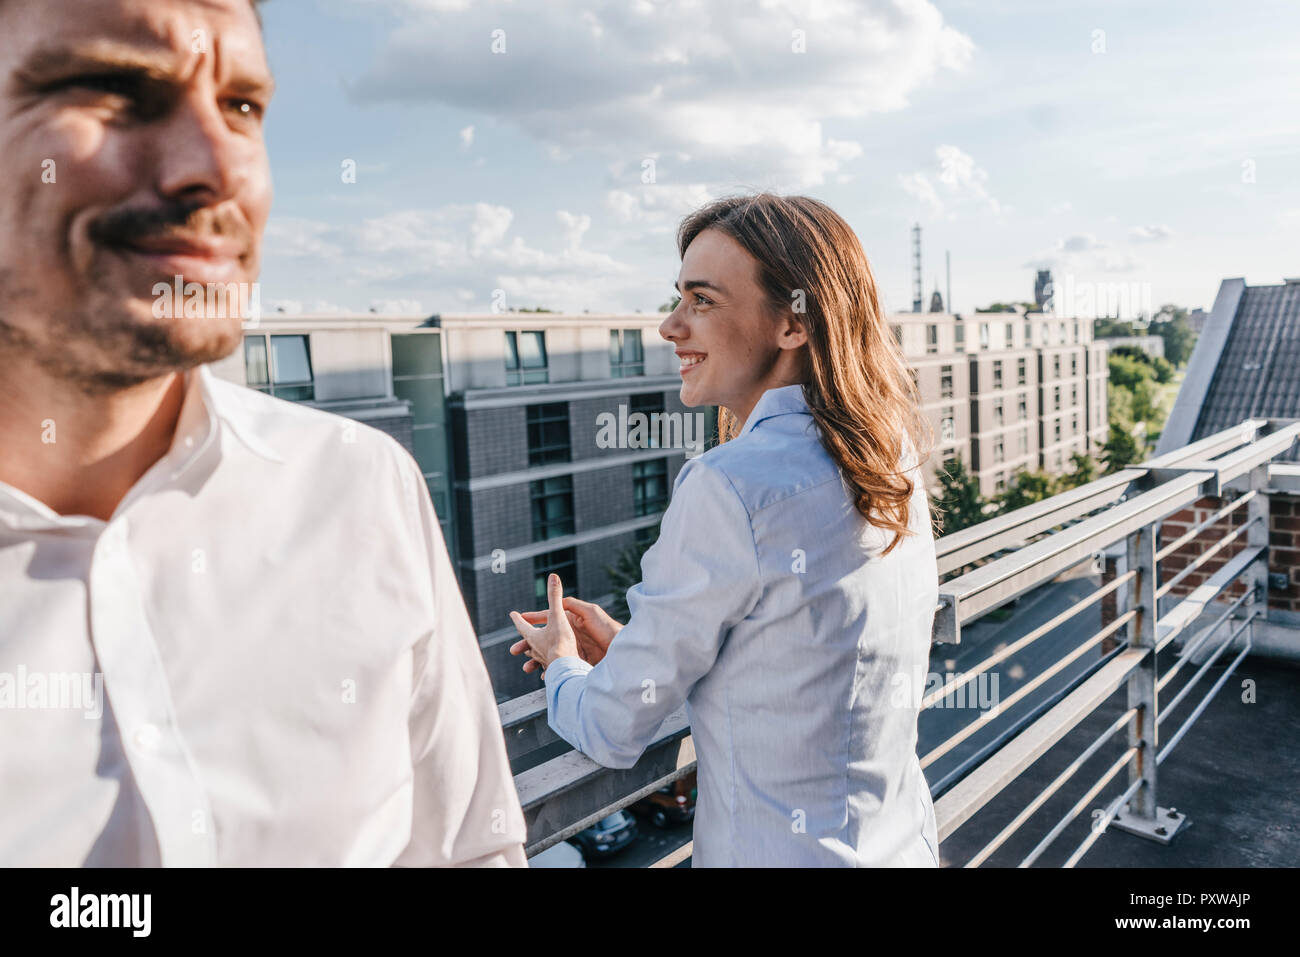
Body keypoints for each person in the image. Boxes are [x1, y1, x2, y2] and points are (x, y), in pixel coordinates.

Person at [0, 0, 525, 866]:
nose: (215, 167)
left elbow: (470, 850)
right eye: (112, 87)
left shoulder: (361, 486)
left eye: (243, 107)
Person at [509, 193, 941, 867]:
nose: (669, 326)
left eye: (702, 300)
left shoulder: (730, 486)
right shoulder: (889, 458)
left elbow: (610, 726)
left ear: (793, 325)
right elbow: (797, 657)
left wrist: (562, 659)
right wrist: (636, 649)